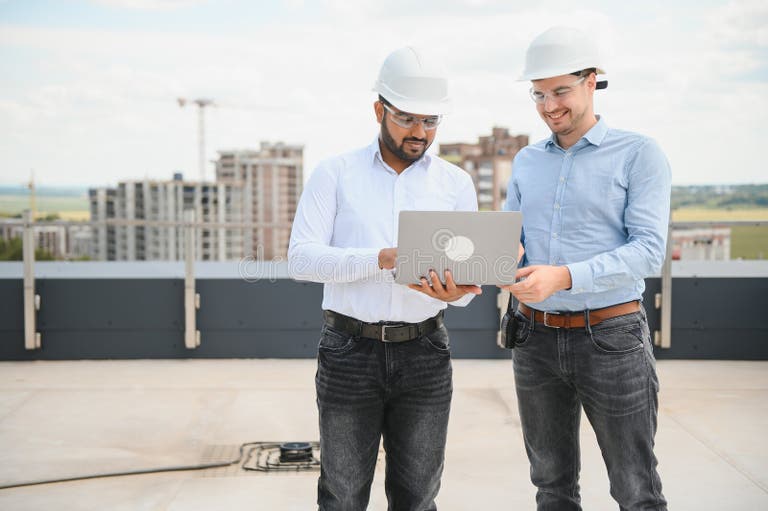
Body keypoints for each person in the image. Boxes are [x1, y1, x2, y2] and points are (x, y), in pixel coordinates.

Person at [288, 46, 480, 511]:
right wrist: (384, 258)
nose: (420, 133)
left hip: (425, 353)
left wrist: (455, 293)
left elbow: (467, 290)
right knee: (343, 495)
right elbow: (302, 259)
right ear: (379, 110)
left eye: (431, 121)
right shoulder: (335, 174)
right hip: (349, 353)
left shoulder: (455, 184)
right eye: (408, 119)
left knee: (418, 497)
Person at [502, 27, 671, 510]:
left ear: (592, 81)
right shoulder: (526, 160)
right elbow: (513, 240)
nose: (549, 105)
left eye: (560, 91)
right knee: (551, 487)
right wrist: (493, 262)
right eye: (538, 94)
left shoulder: (639, 154)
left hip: (612, 338)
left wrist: (565, 276)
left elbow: (647, 251)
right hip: (533, 339)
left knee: (635, 488)